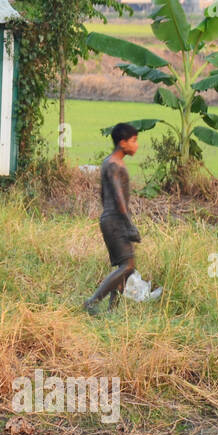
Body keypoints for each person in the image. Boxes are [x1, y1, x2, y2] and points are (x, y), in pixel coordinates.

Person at [84, 123, 141, 316]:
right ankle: (92, 302)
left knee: (126, 267)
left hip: (111, 218)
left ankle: (112, 312)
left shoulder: (109, 162)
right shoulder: (114, 165)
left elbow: (103, 195)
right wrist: (129, 224)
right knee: (128, 266)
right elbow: (118, 197)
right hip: (115, 220)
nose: (136, 145)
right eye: (134, 141)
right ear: (122, 142)